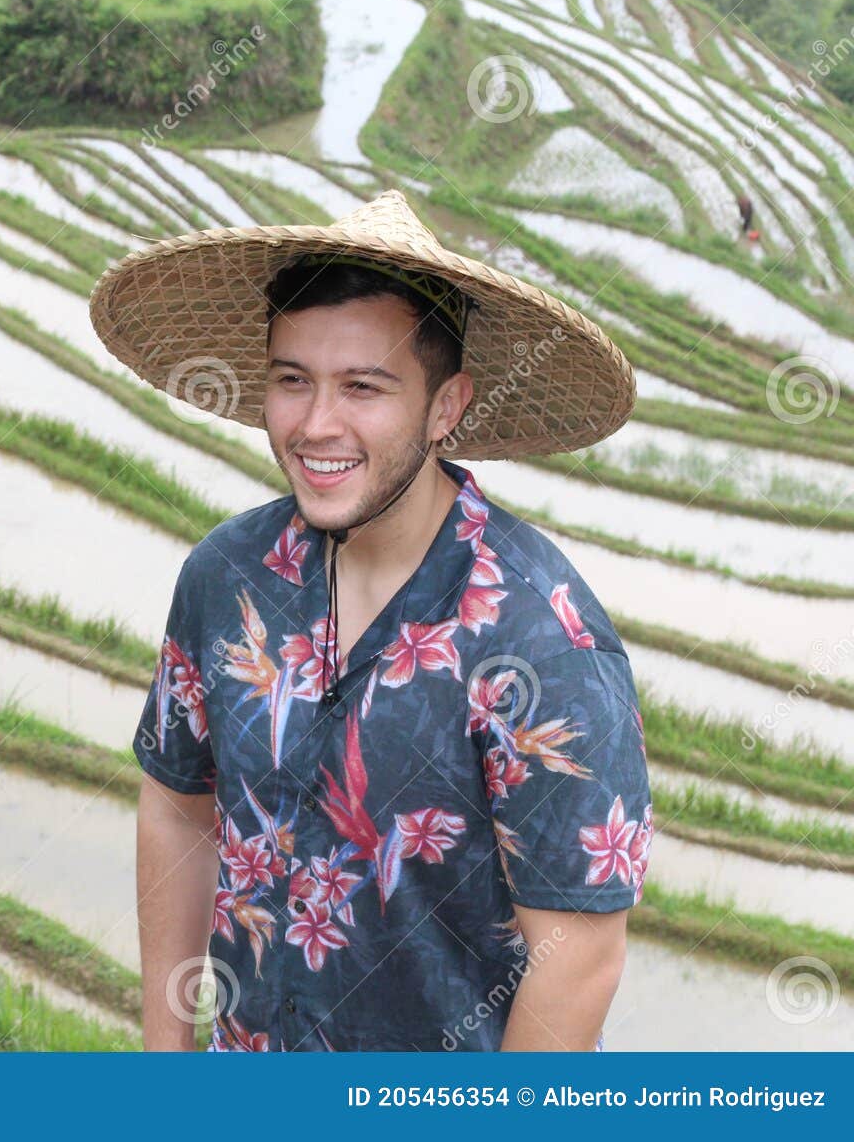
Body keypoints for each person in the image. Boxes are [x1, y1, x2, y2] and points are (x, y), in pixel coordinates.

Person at [89, 190, 653, 1052]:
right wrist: (166, 1060)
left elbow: (578, 957)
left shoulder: (542, 638)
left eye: (364, 386)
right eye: (292, 380)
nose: (317, 425)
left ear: (446, 406)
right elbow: (174, 807)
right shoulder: (228, 578)